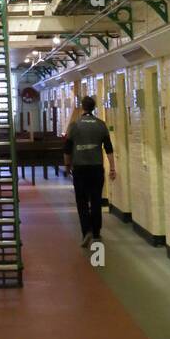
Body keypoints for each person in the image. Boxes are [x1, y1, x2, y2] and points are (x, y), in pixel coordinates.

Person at [63, 95, 115, 247]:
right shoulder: (101, 125)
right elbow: (109, 148)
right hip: (96, 168)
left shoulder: (74, 126)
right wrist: (112, 168)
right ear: (94, 107)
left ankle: (86, 231)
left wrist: (67, 166)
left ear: (82, 107)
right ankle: (97, 233)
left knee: (82, 201)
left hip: (80, 169)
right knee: (96, 200)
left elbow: (67, 149)